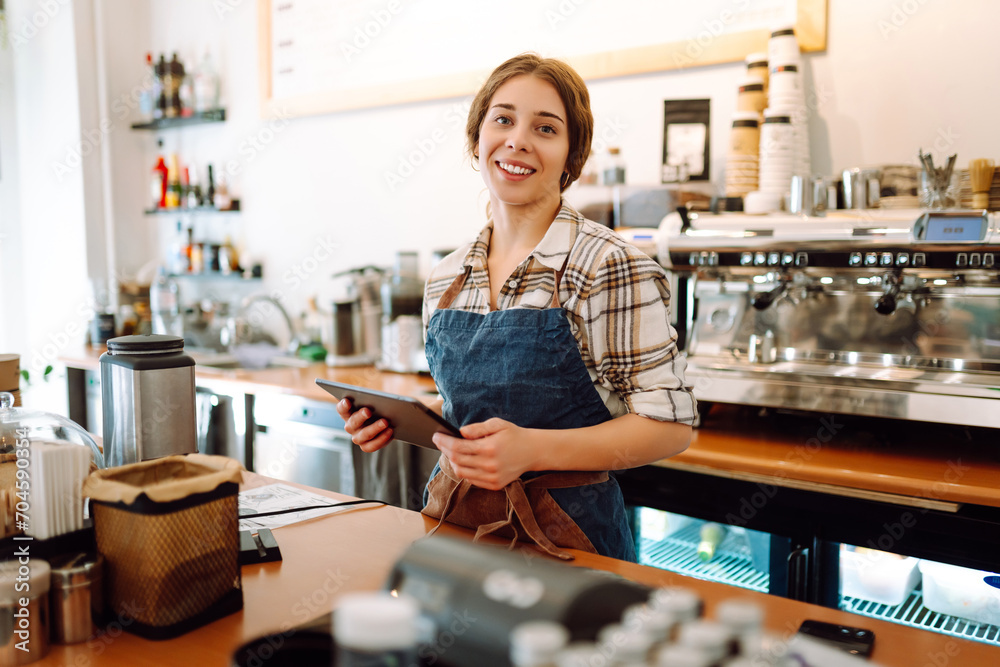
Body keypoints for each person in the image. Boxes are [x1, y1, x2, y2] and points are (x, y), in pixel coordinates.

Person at [336, 53, 695, 562]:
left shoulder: (607, 266)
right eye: (503, 119)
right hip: (452, 526)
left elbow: (671, 427)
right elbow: (472, 411)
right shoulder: (446, 278)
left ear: (572, 156)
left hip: (568, 539)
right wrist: (402, 421)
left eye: (545, 128)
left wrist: (533, 451)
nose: (518, 139)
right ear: (476, 138)